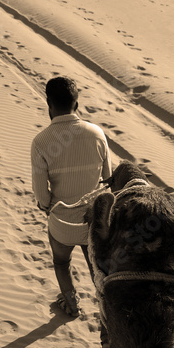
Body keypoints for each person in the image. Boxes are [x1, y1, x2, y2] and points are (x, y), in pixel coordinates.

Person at [31, 76, 112, 316]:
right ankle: (107, 312)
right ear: (77, 104)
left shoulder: (41, 142)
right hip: (93, 223)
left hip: (61, 223)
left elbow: (40, 193)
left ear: (49, 104)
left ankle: (72, 303)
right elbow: (108, 178)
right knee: (96, 269)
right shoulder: (97, 134)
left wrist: (46, 205)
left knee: (61, 263)